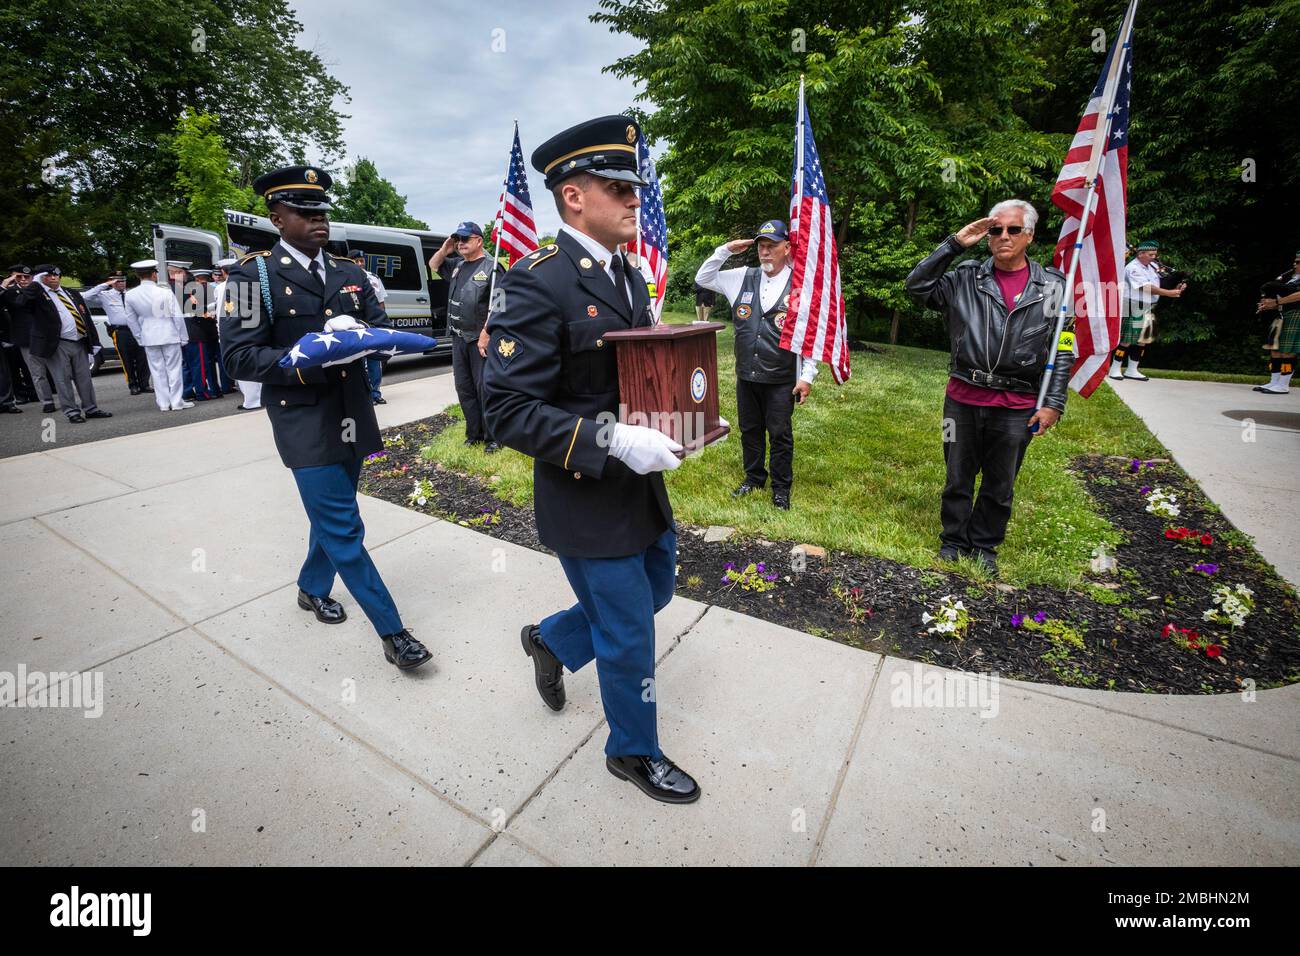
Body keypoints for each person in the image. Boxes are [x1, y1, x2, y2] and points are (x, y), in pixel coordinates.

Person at [482, 115, 700, 805]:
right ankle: (632, 752)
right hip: (585, 491)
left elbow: (627, 370)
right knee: (630, 633)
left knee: (658, 593)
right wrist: (613, 441)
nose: (636, 199)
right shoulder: (538, 283)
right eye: (619, 187)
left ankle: (551, 641)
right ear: (574, 197)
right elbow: (508, 410)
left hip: (639, 489)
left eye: (634, 187)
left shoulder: (627, 274)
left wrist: (673, 406)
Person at [221, 165, 431, 672]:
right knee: (344, 526)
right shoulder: (252, 277)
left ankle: (311, 588)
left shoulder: (350, 273)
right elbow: (240, 358)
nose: (319, 219)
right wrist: (307, 356)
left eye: (322, 211)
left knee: (331, 515)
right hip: (302, 417)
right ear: (277, 217)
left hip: (353, 413)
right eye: (304, 211)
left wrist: (363, 338)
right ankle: (393, 631)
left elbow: (380, 331)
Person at [905, 200, 1075, 575]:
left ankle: (984, 546)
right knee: (958, 475)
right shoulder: (965, 277)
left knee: (1001, 482)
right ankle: (953, 541)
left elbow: (1063, 350)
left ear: (1029, 234)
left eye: (1013, 230)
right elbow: (916, 287)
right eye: (995, 230)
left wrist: (1054, 403)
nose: (1003, 237)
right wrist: (955, 244)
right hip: (963, 396)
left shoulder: (1052, 288)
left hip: (1018, 402)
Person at [695, 219, 819, 510]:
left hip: (781, 376)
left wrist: (807, 375)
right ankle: (753, 478)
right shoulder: (742, 276)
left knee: (779, 433)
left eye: (772, 246)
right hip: (747, 374)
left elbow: (809, 333)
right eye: (762, 246)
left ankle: (781, 488)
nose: (765, 252)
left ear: (786, 248)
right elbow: (704, 277)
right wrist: (725, 250)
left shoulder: (799, 284)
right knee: (749, 429)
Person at [429, 222, 506, 451]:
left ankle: (494, 437)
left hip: (480, 340)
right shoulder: (457, 266)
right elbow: (433, 265)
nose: (460, 243)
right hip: (459, 338)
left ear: (479, 241)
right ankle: (475, 434)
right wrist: (445, 249)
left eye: (465, 239)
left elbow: (500, 305)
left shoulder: (492, 268)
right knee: (464, 388)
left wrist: (486, 333)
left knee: (485, 389)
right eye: (457, 240)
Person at [20, 264, 111, 424]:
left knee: (84, 378)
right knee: (62, 379)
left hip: (79, 340)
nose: (54, 278)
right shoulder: (38, 295)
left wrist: (94, 341)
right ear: (41, 278)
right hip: (57, 343)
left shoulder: (71, 292)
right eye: (49, 276)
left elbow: (85, 317)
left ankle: (91, 408)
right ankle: (72, 411)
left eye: (56, 275)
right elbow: (20, 303)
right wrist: (34, 284)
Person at [1109, 240, 1184, 381]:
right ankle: (1115, 368)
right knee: (1127, 339)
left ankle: (1132, 369)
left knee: (1143, 339)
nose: (1153, 257)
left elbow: (1161, 282)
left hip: (1149, 305)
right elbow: (1145, 287)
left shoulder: (1152, 266)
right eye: (1150, 254)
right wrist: (1168, 293)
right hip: (1133, 304)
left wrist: (1177, 286)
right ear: (1140, 253)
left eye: (1154, 254)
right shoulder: (1132, 268)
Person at [125, 259, 191, 412]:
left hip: (148, 335)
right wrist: (183, 336)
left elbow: (131, 319)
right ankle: (176, 402)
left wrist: (139, 337)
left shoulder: (130, 295)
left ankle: (163, 403)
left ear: (138, 275)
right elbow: (177, 316)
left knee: (157, 371)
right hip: (169, 333)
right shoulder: (165, 292)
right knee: (173, 369)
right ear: (154, 274)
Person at [83, 272, 151, 395]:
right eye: (117, 281)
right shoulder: (105, 295)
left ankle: (144, 384)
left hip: (138, 329)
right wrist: (105, 285)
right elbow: (86, 296)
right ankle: (133, 385)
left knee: (143, 358)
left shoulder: (131, 294)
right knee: (127, 359)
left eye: (123, 280)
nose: (121, 283)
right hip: (121, 331)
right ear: (111, 282)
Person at [2, 264, 55, 410]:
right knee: (37, 372)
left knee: (57, 370)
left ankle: (64, 398)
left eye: (27, 277)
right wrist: (4, 286)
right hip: (26, 337)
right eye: (19, 277)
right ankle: (47, 402)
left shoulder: (40, 290)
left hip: (46, 335)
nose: (24, 280)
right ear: (13, 277)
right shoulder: (9, 292)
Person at [214, 257, 261, 410]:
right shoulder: (250, 281)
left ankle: (251, 400)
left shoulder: (220, 288)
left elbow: (221, 312)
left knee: (241, 363)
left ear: (223, 271)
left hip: (233, 328)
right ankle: (259, 397)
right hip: (251, 325)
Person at [1254, 249, 1300, 395]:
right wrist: (1266, 302)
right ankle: (1274, 381)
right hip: (1281, 313)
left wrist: (1277, 302)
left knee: (1287, 351)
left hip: (1296, 313)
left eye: (1298, 262)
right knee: (1275, 349)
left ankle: (1283, 384)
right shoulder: (1288, 277)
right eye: (1295, 261)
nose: (1295, 264)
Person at [347, 249, 389, 406]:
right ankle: (361, 394)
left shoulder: (373, 278)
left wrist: (382, 324)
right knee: (357, 363)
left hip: (371, 325)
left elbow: (380, 302)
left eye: (361, 261)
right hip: (353, 325)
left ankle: (375, 393)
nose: (359, 264)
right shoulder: (344, 277)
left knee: (374, 362)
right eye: (355, 261)